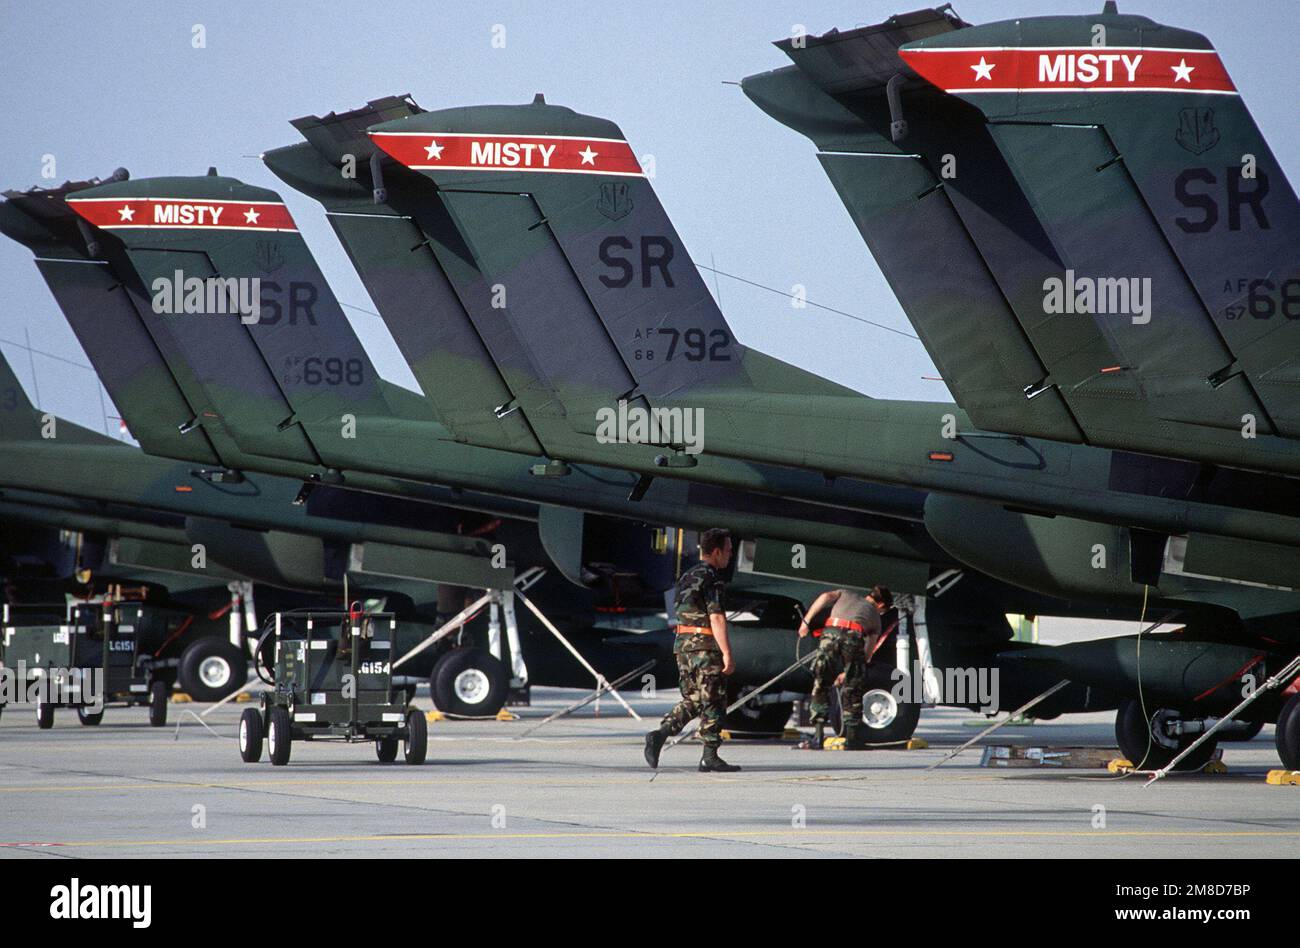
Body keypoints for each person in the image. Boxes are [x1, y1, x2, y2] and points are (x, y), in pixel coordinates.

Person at [643, 528, 741, 772]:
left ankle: (660, 733)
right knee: (714, 700)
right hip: (705, 648)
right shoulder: (712, 577)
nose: (730, 555)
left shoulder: (687, 576)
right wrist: (727, 652)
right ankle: (710, 755)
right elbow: (716, 618)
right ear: (716, 552)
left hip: (683, 647)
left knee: (695, 699)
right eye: (728, 550)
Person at [797, 585, 893, 749]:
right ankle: (852, 739)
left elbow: (825, 596)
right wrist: (845, 674)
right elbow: (867, 654)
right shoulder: (875, 618)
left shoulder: (846, 594)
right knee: (853, 687)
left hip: (830, 633)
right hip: (853, 637)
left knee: (821, 684)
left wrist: (806, 621)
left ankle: (818, 738)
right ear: (881, 605)